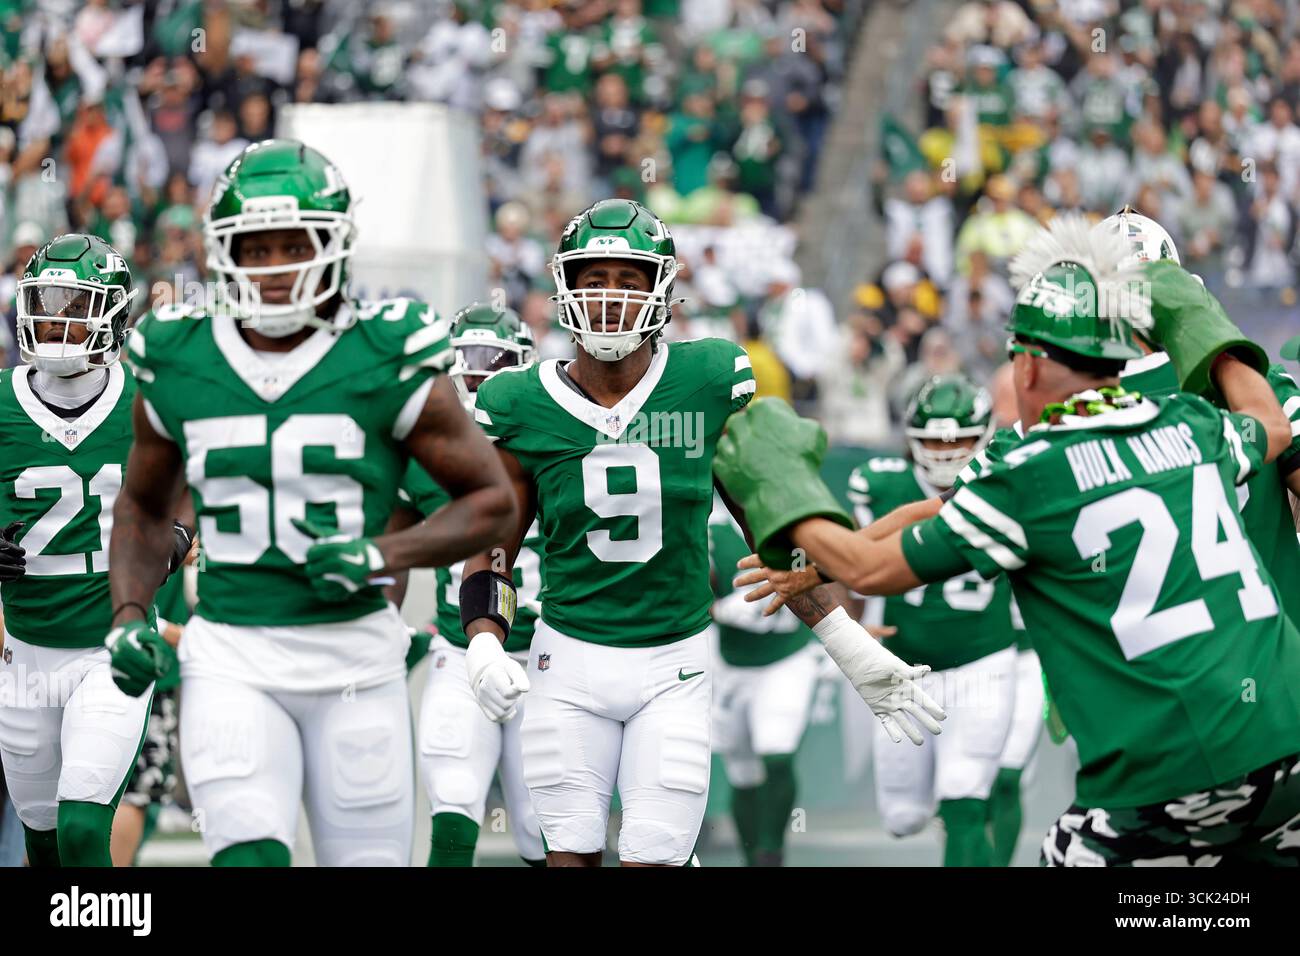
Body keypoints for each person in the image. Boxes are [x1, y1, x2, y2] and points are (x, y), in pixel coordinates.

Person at [724, 214, 1300, 865]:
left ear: (1025, 367)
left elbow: (880, 561)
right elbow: (1270, 428)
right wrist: (1207, 330)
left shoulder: (1028, 461)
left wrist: (789, 498)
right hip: (1283, 712)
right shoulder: (1193, 417)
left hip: (1169, 745)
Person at [458, 198, 943, 867]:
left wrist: (846, 642)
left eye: (628, 280)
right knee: (567, 857)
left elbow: (774, 538)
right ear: (564, 285)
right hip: (565, 660)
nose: (610, 297)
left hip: (673, 664)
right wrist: (483, 641)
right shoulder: (521, 400)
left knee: (652, 856)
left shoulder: (707, 379)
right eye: (593, 278)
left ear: (662, 289)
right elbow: (492, 549)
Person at [106, 140, 518, 867]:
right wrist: (130, 614)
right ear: (220, 251)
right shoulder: (175, 354)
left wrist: (380, 555)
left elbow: (490, 503)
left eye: (295, 243)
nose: (276, 267)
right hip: (232, 651)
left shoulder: (388, 349)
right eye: (255, 247)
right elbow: (141, 507)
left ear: (336, 245)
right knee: (247, 859)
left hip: (356, 656)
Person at [0, 234, 189, 866]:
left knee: (85, 828)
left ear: (112, 312)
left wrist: (180, 535)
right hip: (23, 651)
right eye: (45, 302)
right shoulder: (2, 403)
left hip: (111, 646)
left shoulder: (149, 396)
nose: (55, 320)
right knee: (43, 843)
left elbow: (199, 477)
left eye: (72, 303)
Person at [386, 303, 545, 867]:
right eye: (467, 360)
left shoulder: (549, 440)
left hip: (548, 656)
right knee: (452, 800)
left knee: (540, 829)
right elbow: (392, 553)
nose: (478, 374)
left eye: (495, 360)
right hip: (460, 650)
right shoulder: (424, 454)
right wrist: (383, 624)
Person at [847, 374, 1018, 866]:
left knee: (965, 793)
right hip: (905, 673)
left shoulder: (1004, 478)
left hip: (983, 662)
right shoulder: (878, 484)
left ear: (984, 434)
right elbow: (852, 567)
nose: (947, 452)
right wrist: (849, 623)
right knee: (903, 817)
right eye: (934, 441)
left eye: (960, 439)